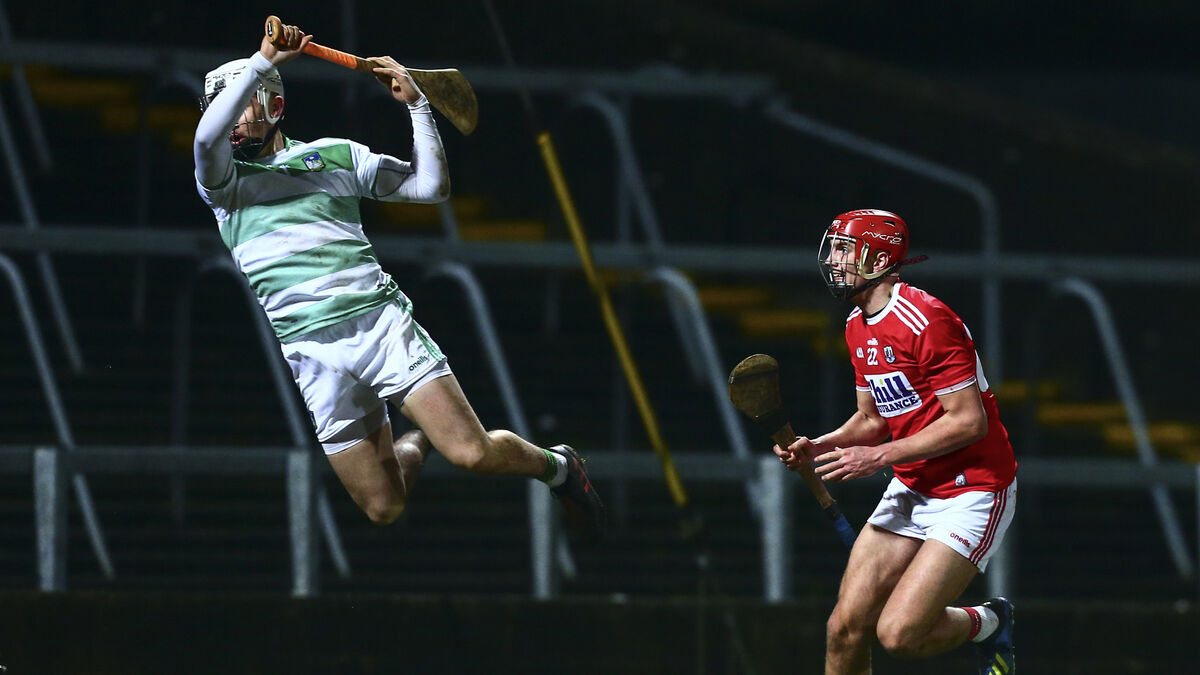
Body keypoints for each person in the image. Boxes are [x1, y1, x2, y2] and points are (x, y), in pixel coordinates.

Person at [192, 21, 605, 542]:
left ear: (273, 105)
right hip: (309, 354)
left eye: (240, 103)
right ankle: (417, 440)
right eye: (219, 105)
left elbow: (429, 187)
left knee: (471, 454)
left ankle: (560, 468)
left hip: (379, 326)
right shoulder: (222, 184)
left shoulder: (335, 155)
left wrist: (417, 106)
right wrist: (263, 61)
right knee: (383, 506)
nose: (225, 119)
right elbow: (207, 138)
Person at [774, 210, 1017, 675]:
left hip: (973, 489)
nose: (834, 259)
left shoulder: (928, 319)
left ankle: (987, 622)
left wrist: (879, 456)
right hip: (913, 485)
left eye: (845, 249)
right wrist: (819, 446)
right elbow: (871, 419)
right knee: (844, 631)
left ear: (878, 256)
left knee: (898, 636)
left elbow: (969, 422)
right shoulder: (856, 324)